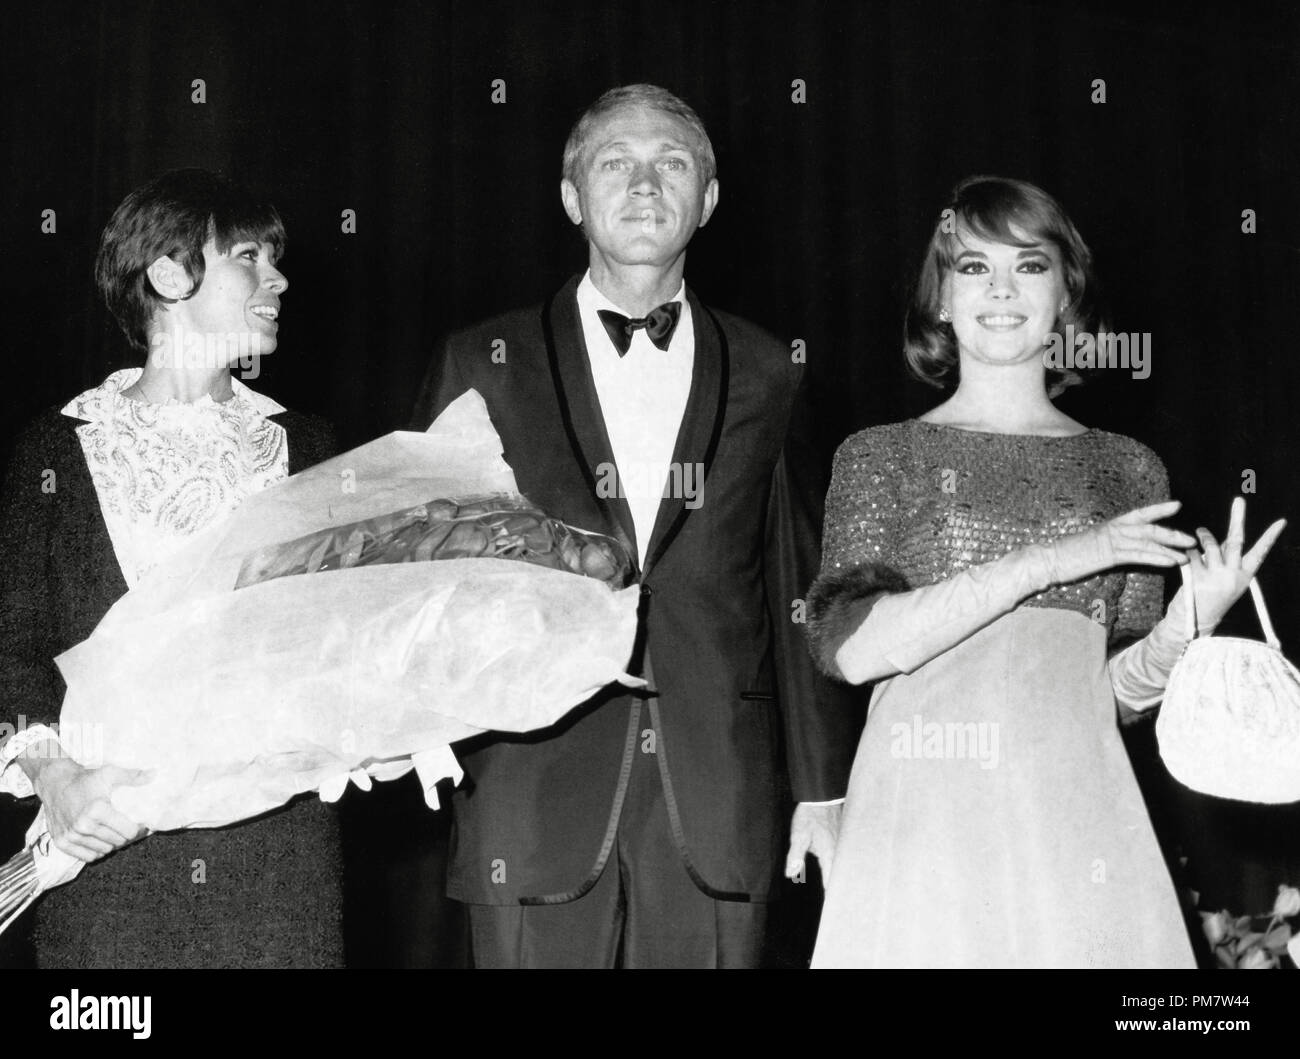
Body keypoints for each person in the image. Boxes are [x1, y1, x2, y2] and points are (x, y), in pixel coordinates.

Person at [410, 84, 855, 968]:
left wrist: (821, 790)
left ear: (711, 200)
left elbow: (796, 582)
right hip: (528, 786)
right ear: (572, 197)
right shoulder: (482, 359)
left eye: (673, 164)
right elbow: (421, 564)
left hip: (720, 798)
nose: (646, 184)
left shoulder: (773, 371)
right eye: (617, 162)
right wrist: (420, 720)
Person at [804, 175, 1285, 968]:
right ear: (941, 299)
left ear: (1066, 296)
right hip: (924, 813)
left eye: (1029, 265)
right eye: (972, 267)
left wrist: (1188, 620)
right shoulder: (881, 455)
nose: (1000, 289)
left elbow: (1116, 694)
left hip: (1073, 815)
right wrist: (1062, 558)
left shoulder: (1127, 468)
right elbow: (850, 650)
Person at [0, 168, 344, 967]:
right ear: (168, 272)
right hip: (107, 872)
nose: (279, 278)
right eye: (251, 257)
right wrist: (58, 781)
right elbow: (10, 652)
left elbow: (341, 639)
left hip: (278, 874)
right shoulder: (55, 451)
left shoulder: (314, 449)